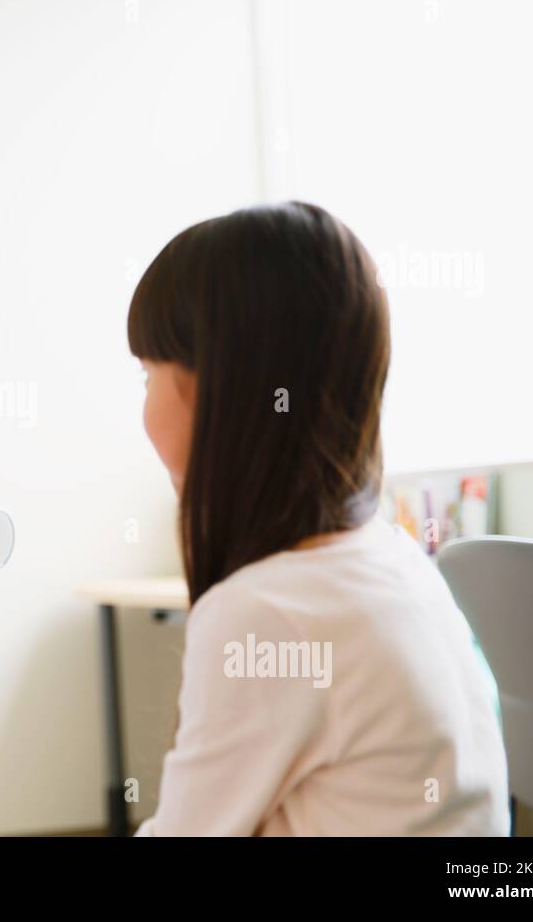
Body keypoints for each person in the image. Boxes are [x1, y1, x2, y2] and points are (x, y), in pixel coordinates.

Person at [127, 201, 508, 835]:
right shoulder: (393, 561)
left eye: (147, 376)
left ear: (222, 387)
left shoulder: (267, 613)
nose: (142, 412)